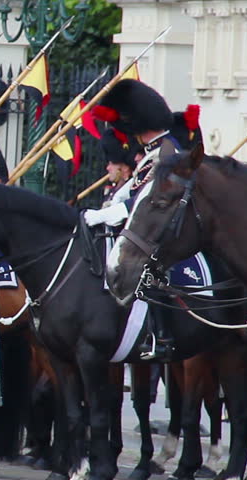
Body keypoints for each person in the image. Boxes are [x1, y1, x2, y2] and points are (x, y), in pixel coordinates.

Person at [85, 79, 181, 361]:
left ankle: (160, 336)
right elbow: (131, 191)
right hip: (144, 227)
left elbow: (144, 202)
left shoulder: (167, 152)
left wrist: (104, 215)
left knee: (150, 270)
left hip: (161, 230)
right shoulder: (153, 152)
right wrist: (109, 205)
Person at [99, 127, 139, 207]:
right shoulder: (114, 190)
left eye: (112, 164)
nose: (108, 168)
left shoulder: (131, 190)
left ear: (125, 167)